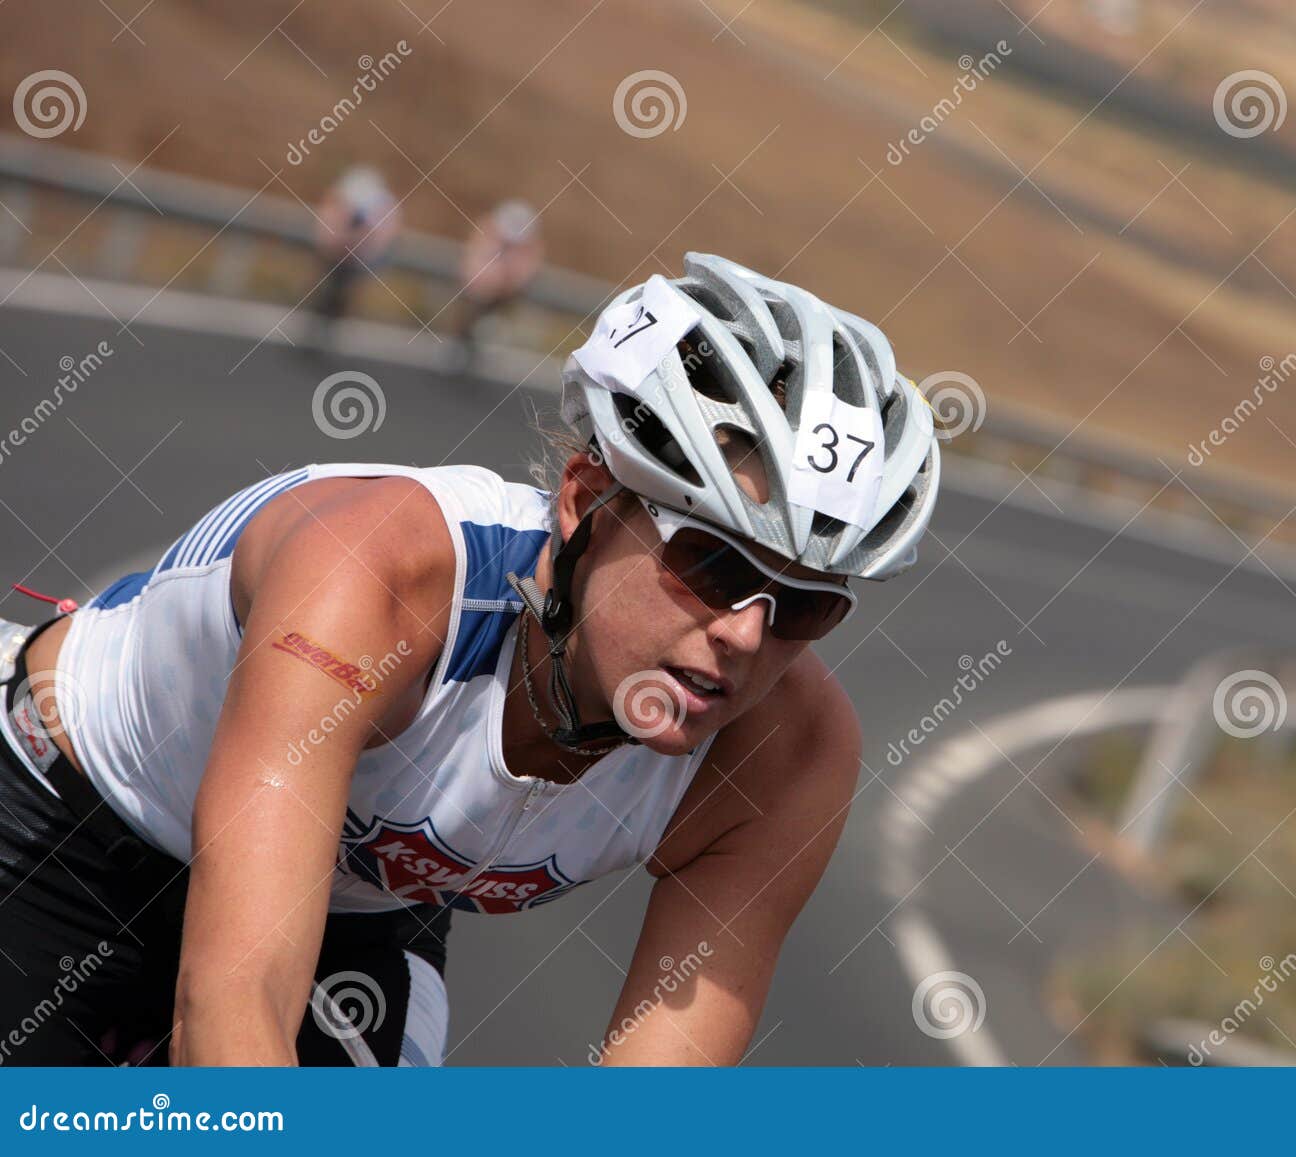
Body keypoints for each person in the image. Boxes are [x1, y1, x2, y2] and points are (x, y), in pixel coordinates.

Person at [0, 252, 940, 1066]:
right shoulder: (381, 585)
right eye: (710, 563)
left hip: (341, 922)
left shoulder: (791, 757)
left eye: (808, 606)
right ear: (584, 502)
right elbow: (231, 1008)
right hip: (59, 823)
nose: (746, 632)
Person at [304, 165, 401, 346]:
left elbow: (379, 239)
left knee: (342, 294)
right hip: (336, 255)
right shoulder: (340, 202)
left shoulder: (381, 209)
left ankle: (329, 329)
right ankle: (316, 327)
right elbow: (327, 231)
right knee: (325, 290)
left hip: (356, 259)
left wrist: (359, 244)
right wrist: (336, 241)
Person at [453, 199, 545, 372]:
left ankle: (487, 336)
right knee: (468, 310)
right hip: (481, 290)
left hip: (503, 295)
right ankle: (462, 342)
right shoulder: (486, 236)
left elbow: (523, 275)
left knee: (495, 318)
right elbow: (472, 267)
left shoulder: (530, 250)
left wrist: (507, 280)